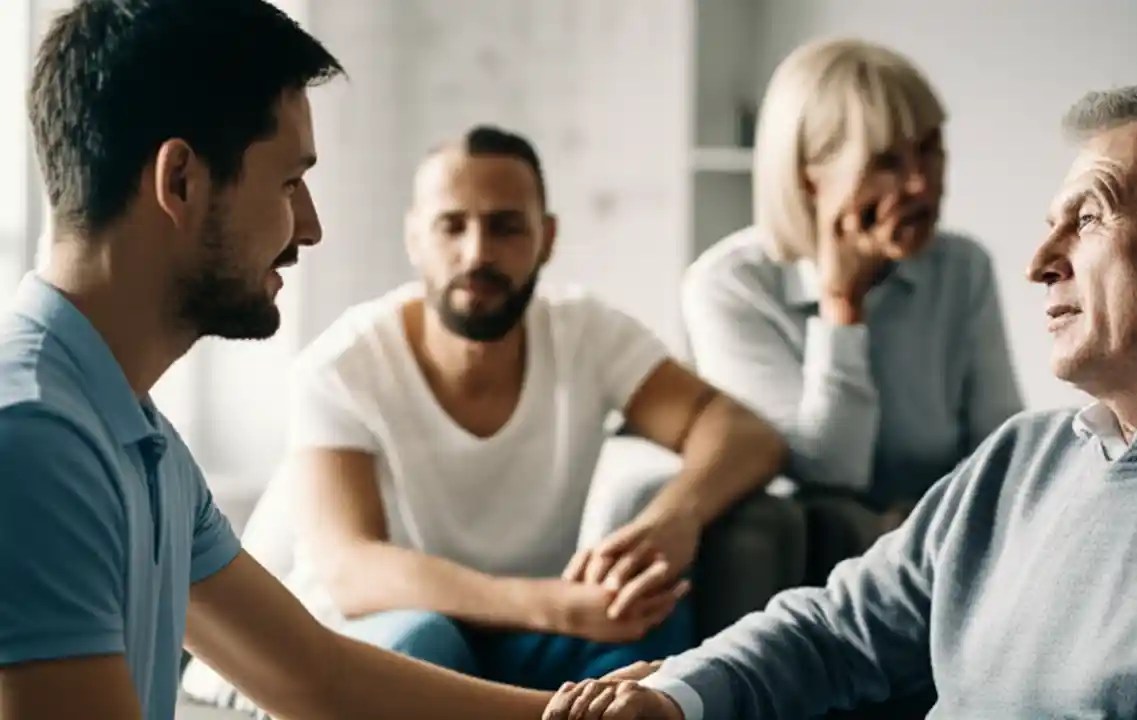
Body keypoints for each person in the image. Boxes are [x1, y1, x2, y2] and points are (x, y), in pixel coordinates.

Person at [542, 78, 1137, 719]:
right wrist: (679, 697)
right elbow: (836, 627)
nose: (1039, 264)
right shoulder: (1025, 457)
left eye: (1086, 220)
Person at [0, 2, 565, 718]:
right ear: (180, 182)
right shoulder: (33, 439)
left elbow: (316, 676)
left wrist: (575, 715)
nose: (311, 226)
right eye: (290, 181)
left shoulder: (136, 437)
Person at [183, 124, 786, 706]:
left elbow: (742, 433)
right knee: (427, 637)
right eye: (453, 226)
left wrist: (675, 516)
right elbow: (351, 569)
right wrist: (549, 604)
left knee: (647, 610)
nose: (478, 253)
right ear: (415, 238)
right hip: (366, 635)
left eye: (505, 228)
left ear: (546, 238)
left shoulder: (585, 334)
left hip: (521, 632)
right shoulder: (343, 364)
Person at [682, 38, 1022, 532]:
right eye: (887, 162)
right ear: (809, 178)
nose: (921, 185)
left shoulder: (962, 268)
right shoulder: (729, 287)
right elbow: (828, 472)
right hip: (816, 551)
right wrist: (842, 306)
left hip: (940, 539)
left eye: (929, 150)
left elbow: (1001, 450)